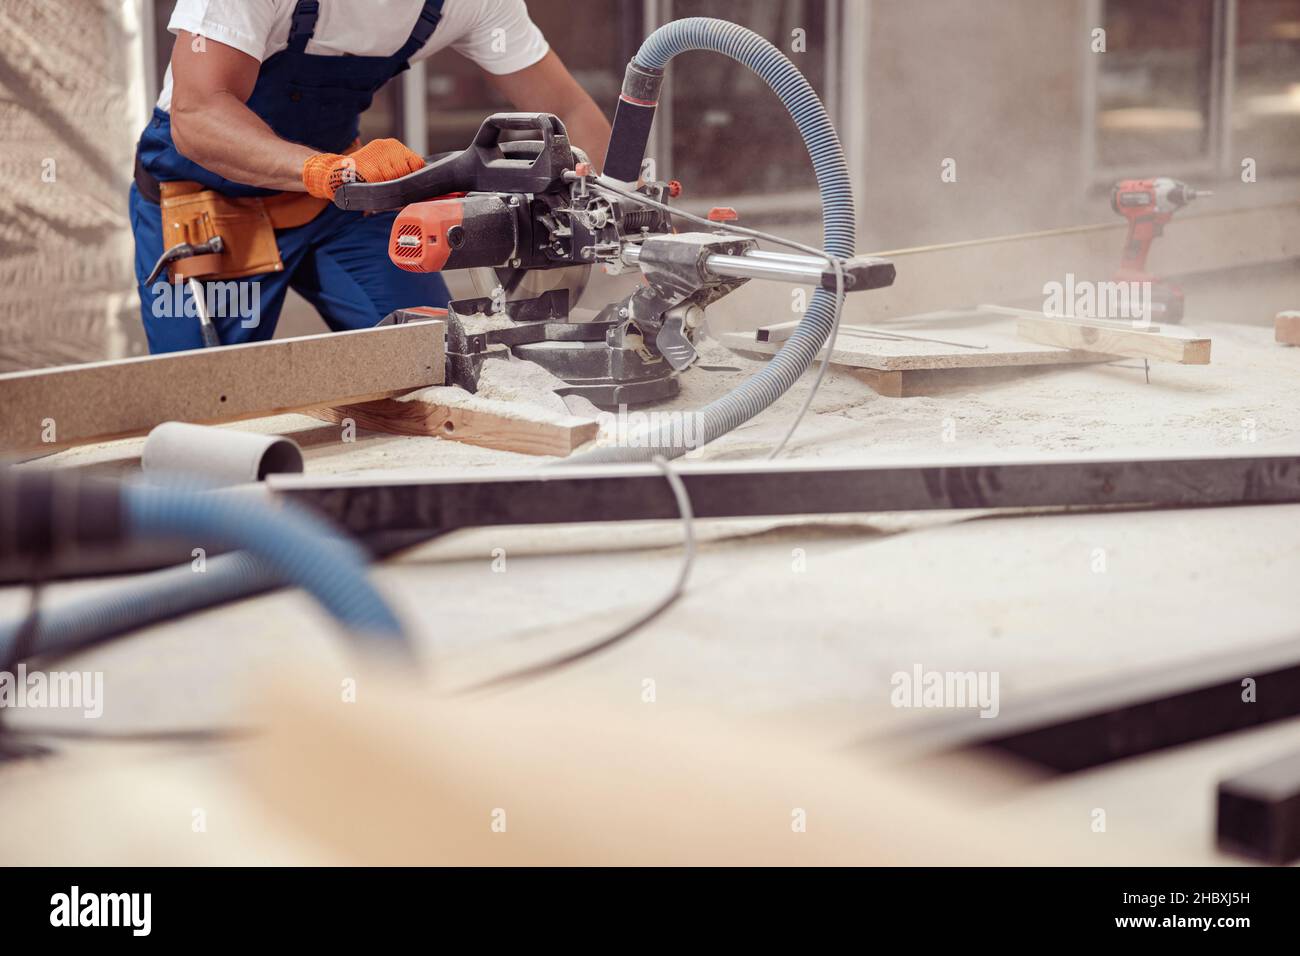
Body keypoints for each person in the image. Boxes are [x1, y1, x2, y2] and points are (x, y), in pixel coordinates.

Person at [131, 0, 610, 352]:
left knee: (430, 357)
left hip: (340, 204)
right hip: (209, 213)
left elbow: (568, 111)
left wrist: (621, 204)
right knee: (206, 411)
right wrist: (323, 170)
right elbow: (198, 115)